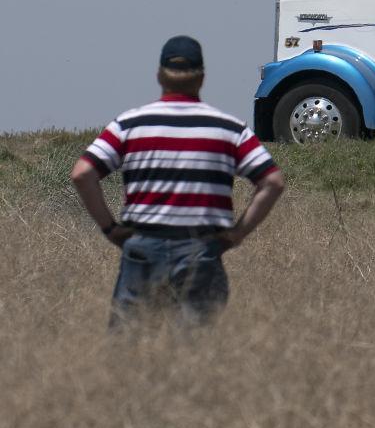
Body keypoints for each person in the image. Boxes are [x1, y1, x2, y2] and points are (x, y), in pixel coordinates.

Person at [70, 35, 286, 327]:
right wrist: (238, 233)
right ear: (202, 78)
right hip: (201, 249)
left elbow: (83, 174)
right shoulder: (230, 129)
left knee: (130, 347)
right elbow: (272, 182)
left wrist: (110, 229)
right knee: (193, 349)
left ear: (160, 76)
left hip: (143, 246)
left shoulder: (130, 124)